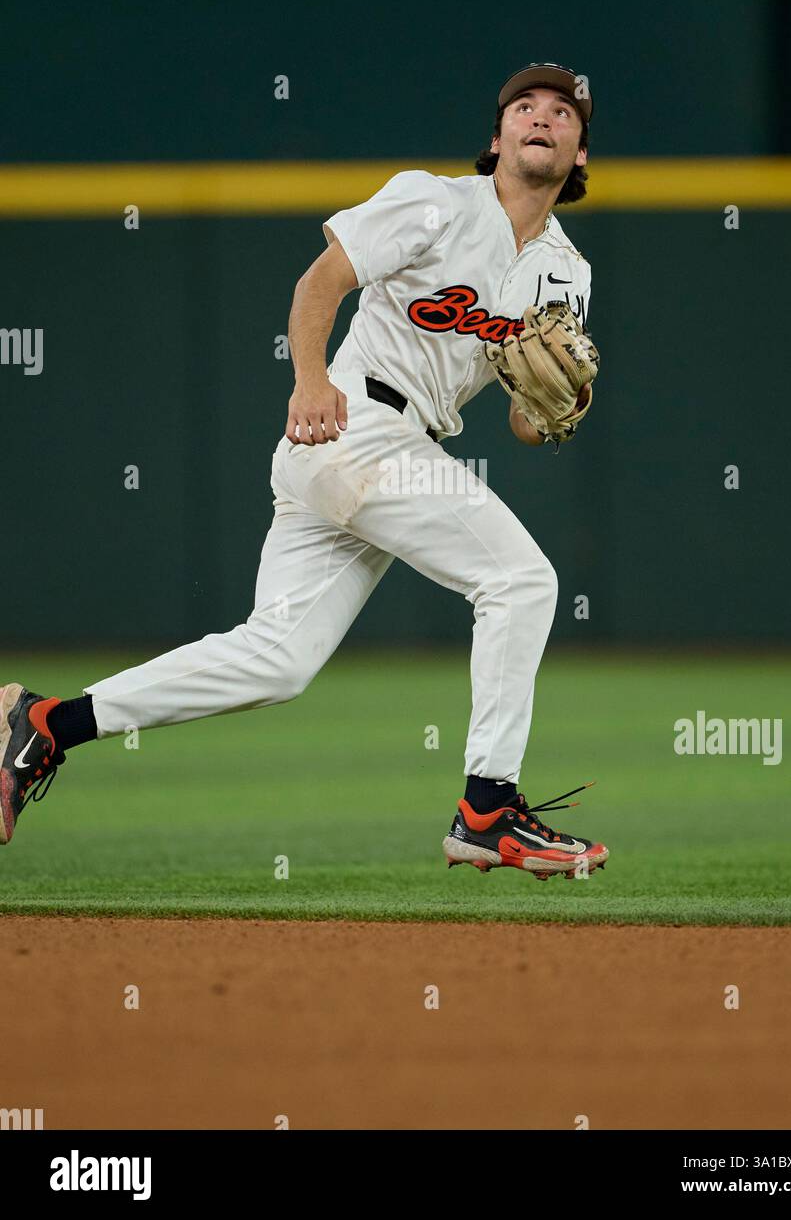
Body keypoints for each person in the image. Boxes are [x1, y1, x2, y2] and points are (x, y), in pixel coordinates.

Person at [1, 62, 608, 880]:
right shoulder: (433, 200)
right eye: (524, 107)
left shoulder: (568, 273)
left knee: (277, 659)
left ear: (578, 154)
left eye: (562, 112)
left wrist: (551, 414)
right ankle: (488, 807)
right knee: (523, 583)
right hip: (356, 424)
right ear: (496, 138)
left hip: (390, 449)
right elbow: (322, 278)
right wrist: (311, 379)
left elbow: (524, 420)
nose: (542, 118)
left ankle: (46, 723)